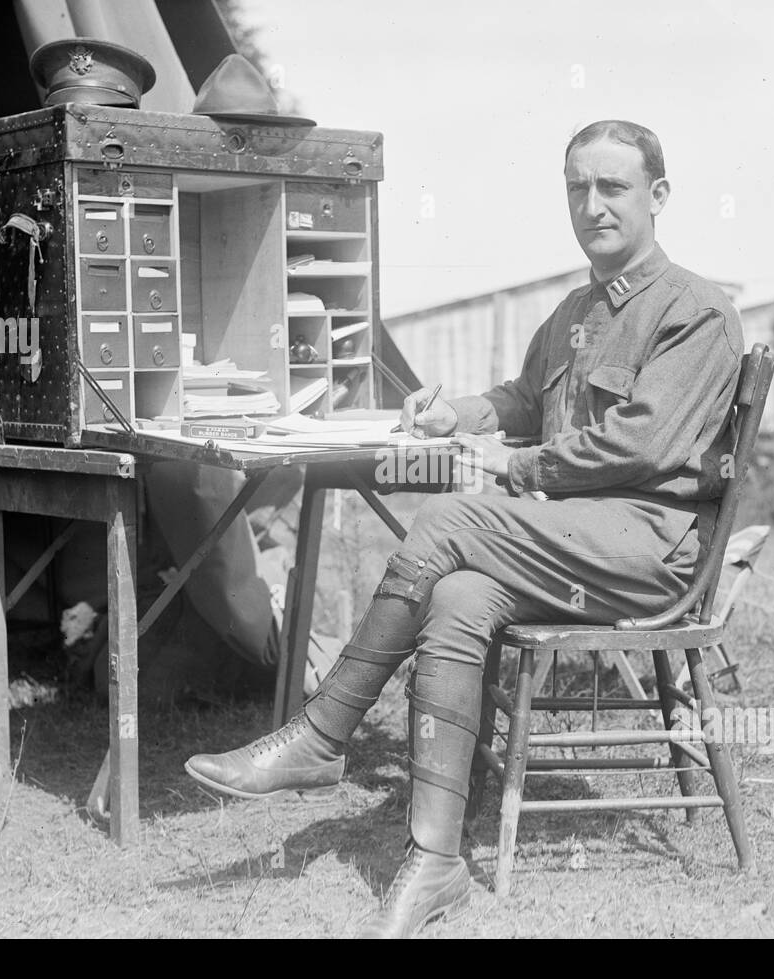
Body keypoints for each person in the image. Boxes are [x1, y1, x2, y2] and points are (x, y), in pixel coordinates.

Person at [185, 120, 745, 937]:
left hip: (653, 548)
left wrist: (512, 464)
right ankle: (437, 861)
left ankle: (323, 731)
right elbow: (524, 400)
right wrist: (462, 415)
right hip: (580, 538)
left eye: (613, 187)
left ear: (658, 196)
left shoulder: (697, 312)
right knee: (457, 596)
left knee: (447, 516)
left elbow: (641, 446)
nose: (592, 206)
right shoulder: (576, 310)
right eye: (577, 189)